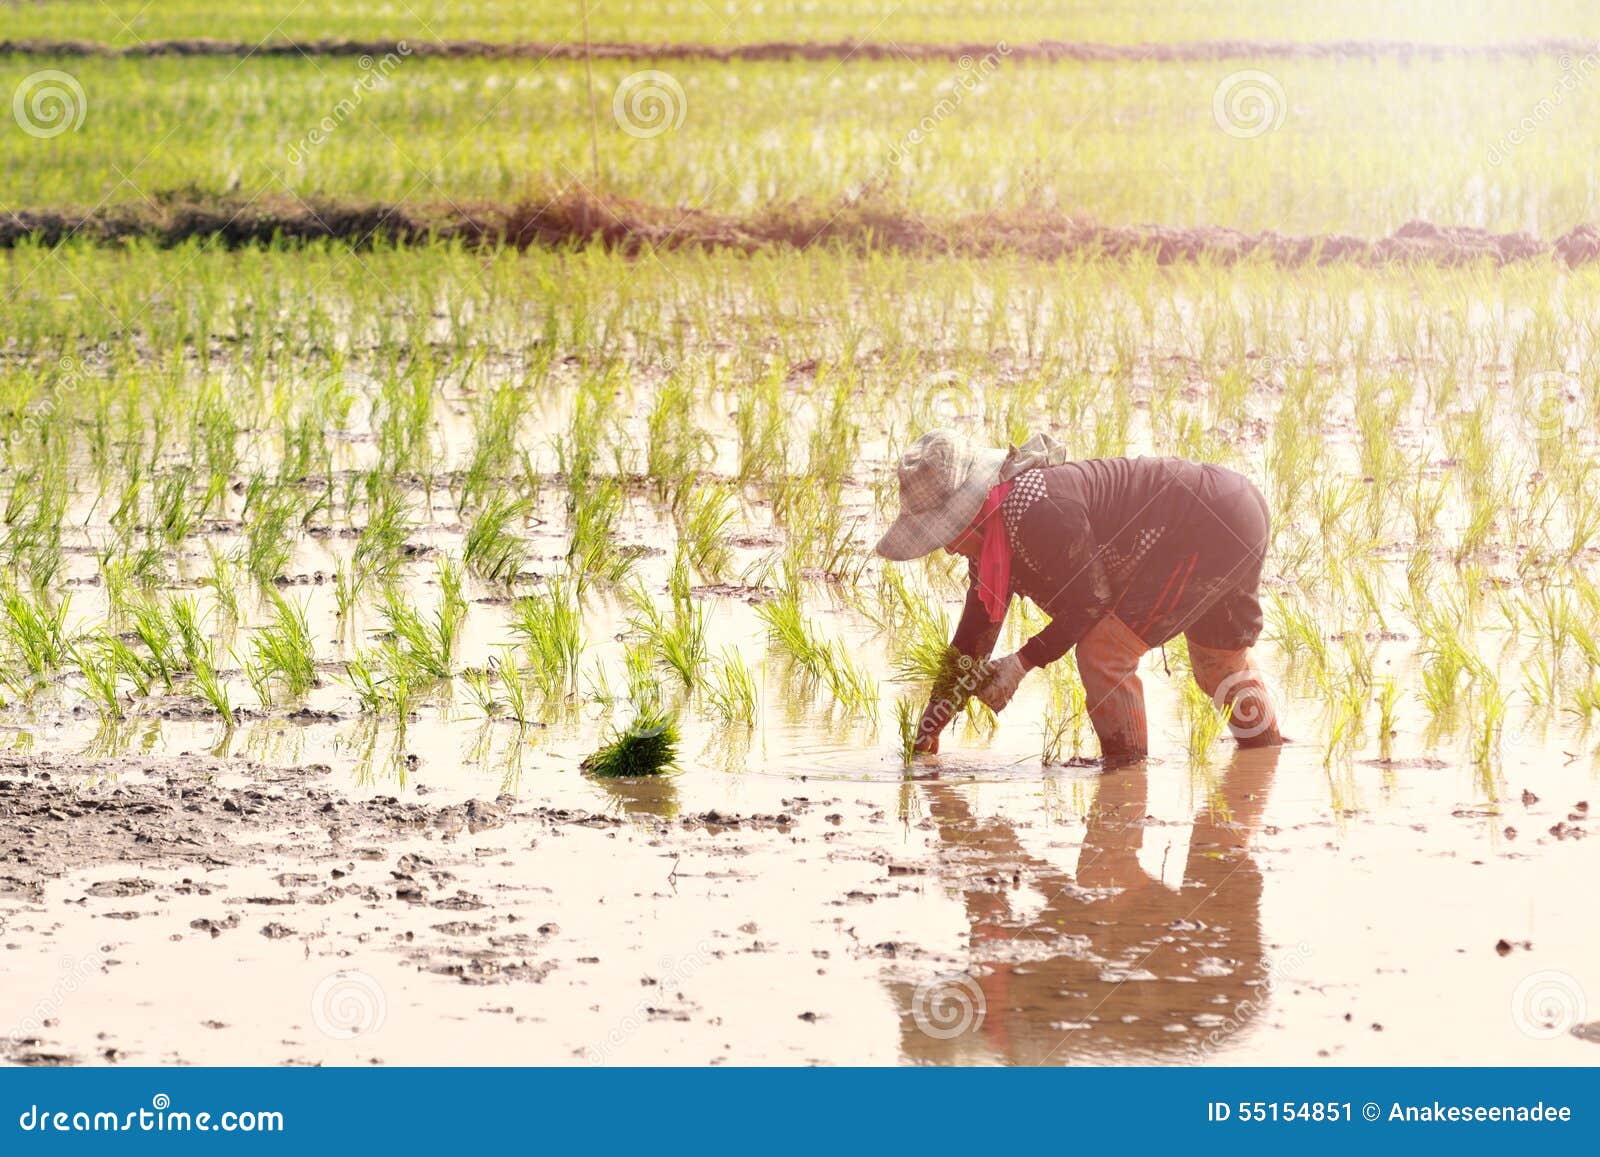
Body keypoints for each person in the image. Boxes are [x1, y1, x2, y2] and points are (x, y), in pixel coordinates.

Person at [875, 429, 1282, 762]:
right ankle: (1264, 762)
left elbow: (1091, 601)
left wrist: (1021, 663)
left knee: (1104, 652)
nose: (947, 548)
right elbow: (973, 637)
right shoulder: (995, 540)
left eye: (946, 533)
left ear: (969, 512)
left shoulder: (1036, 510)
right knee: (1220, 663)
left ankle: (1125, 772)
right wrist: (930, 727)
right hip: (1236, 506)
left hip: (1204, 525)